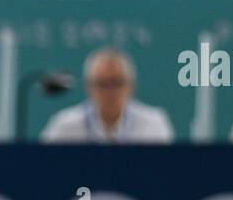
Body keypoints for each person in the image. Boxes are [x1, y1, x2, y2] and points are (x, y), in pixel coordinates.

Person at [40, 48, 174, 143]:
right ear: (88, 86)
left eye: (117, 83)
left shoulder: (154, 124)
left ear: (131, 86)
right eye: (102, 84)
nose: (110, 92)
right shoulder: (64, 127)